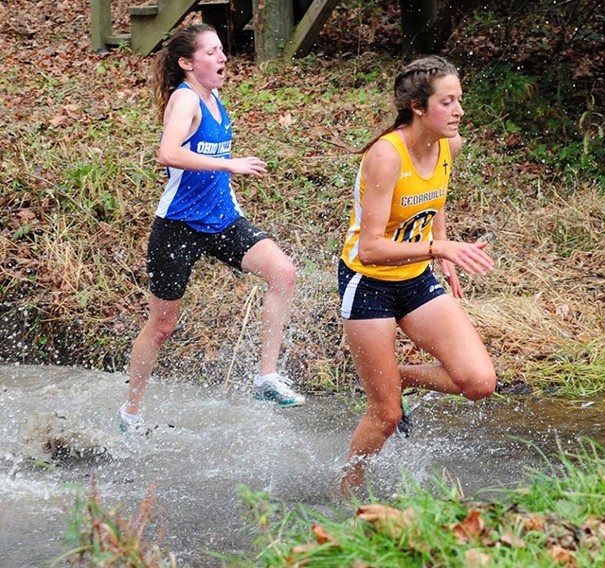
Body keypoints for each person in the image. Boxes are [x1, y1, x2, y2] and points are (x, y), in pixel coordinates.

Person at [118, 24, 304, 433]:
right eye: (212, 52)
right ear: (187, 63)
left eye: (222, 50)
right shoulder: (185, 100)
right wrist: (229, 164)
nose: (223, 58)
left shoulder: (214, 96)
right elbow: (167, 153)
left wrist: (226, 170)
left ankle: (265, 377)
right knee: (162, 326)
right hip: (178, 227)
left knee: (283, 273)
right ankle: (130, 412)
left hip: (223, 220)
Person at [337, 56, 497, 491]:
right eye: (448, 102)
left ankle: (400, 374)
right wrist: (438, 247)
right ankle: (346, 491)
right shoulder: (386, 156)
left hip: (416, 276)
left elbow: (435, 196)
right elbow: (369, 248)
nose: (459, 110)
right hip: (367, 284)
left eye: (460, 100)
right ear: (417, 107)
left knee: (480, 381)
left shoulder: (450, 144)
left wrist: (440, 246)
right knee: (386, 415)